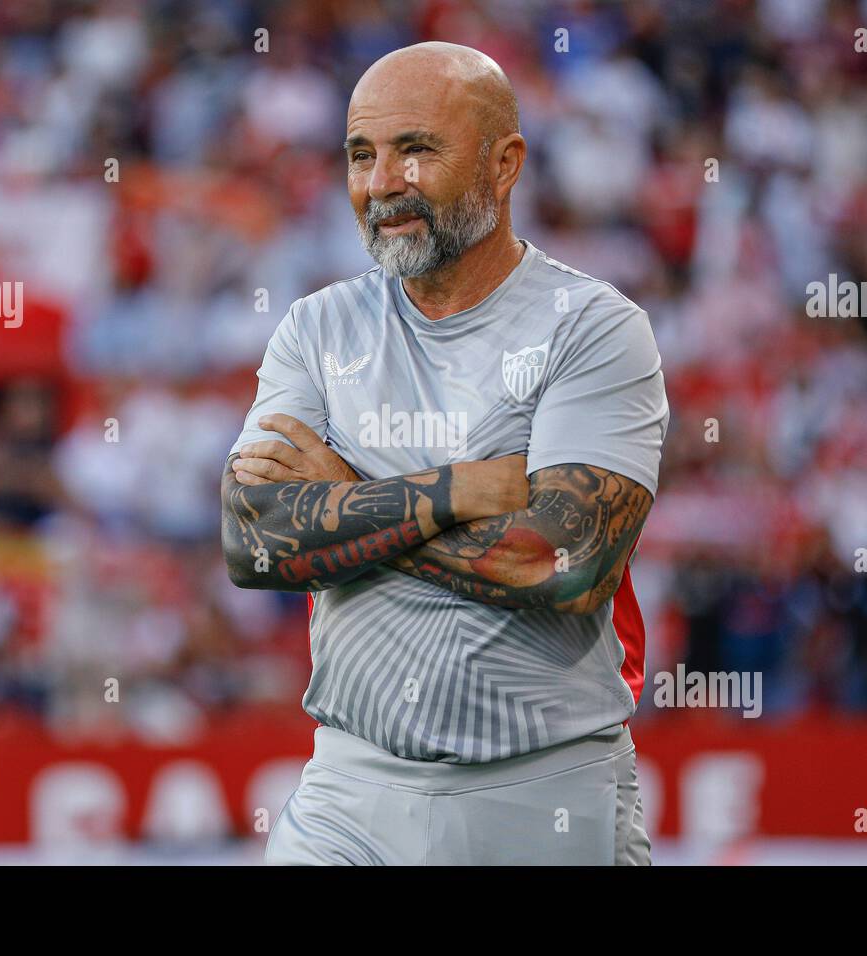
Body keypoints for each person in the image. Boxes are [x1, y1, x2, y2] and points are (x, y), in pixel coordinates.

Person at [221, 42, 669, 865]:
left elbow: (564, 562)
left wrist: (346, 500)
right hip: (348, 789)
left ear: (505, 165)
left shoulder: (594, 327)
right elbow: (255, 542)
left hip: (545, 789)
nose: (382, 183)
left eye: (416, 149)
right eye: (362, 155)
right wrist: (465, 490)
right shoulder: (316, 329)